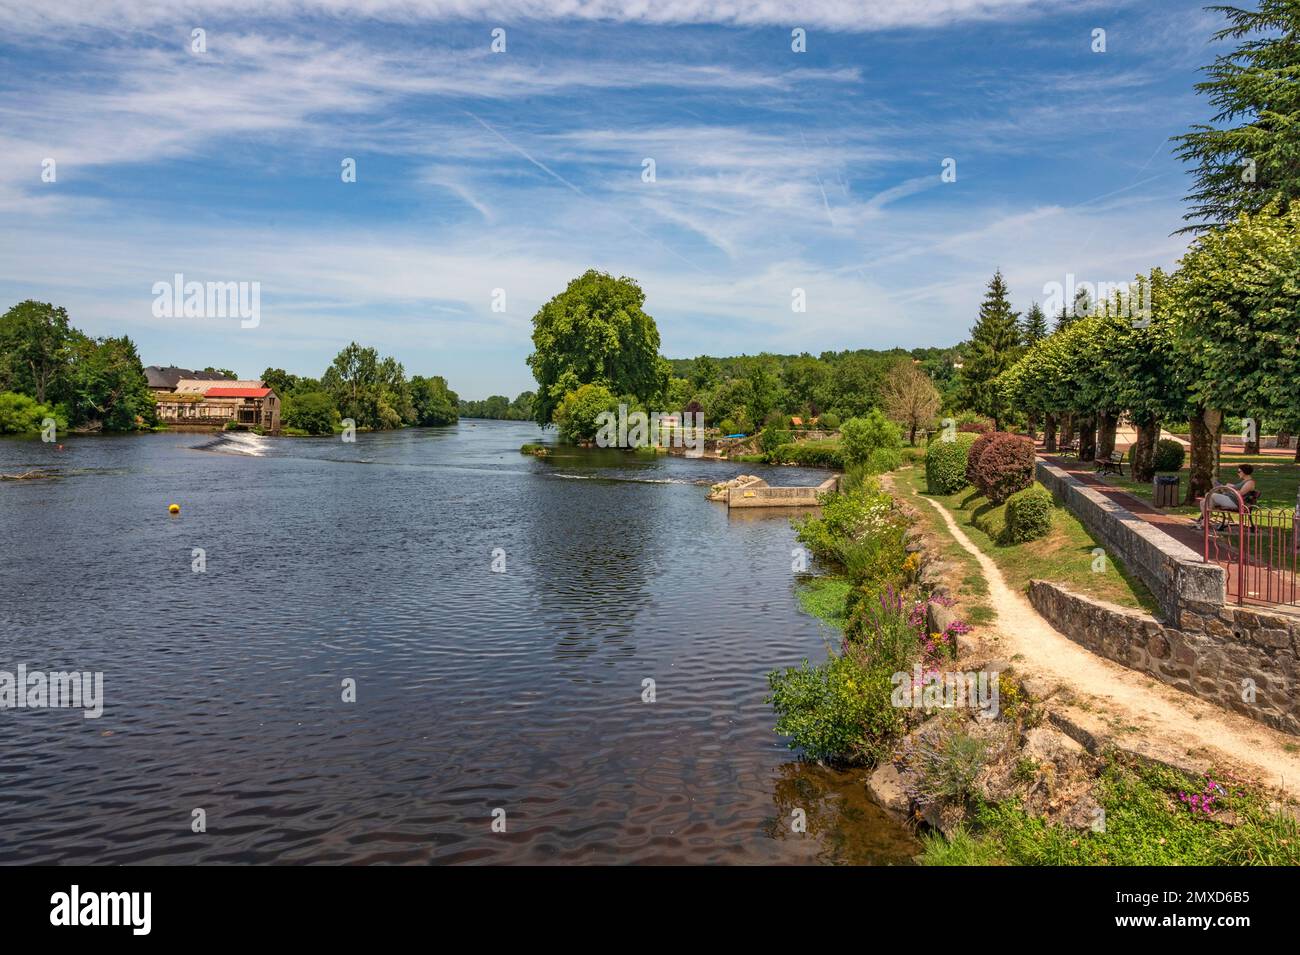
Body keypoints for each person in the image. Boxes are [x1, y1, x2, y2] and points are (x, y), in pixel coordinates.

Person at [1192, 464, 1256, 529]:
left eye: (1239, 472)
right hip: (1229, 499)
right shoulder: (1244, 481)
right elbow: (1237, 489)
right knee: (1203, 502)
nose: (1238, 473)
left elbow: (1240, 493)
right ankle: (1206, 521)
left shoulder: (1250, 482)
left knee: (1210, 495)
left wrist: (1228, 488)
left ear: (1244, 472)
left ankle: (1206, 521)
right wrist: (1229, 487)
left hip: (1236, 503)